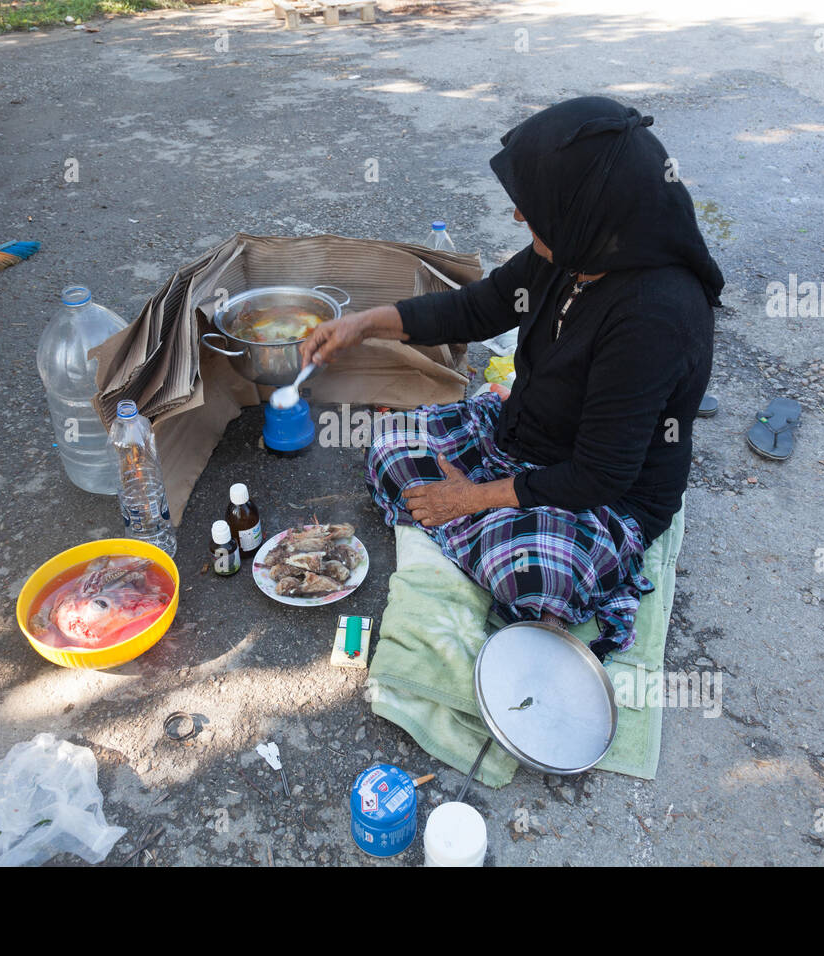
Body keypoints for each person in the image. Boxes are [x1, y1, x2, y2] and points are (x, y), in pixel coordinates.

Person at [301, 96, 724, 658]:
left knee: (530, 580)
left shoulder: (654, 314)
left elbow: (600, 473)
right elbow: (478, 308)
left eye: (533, 206)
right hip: (522, 436)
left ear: (586, 210)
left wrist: (471, 499)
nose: (522, 218)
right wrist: (364, 324)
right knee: (385, 442)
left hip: (604, 493)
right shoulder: (573, 250)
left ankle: (503, 539)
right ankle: (483, 526)